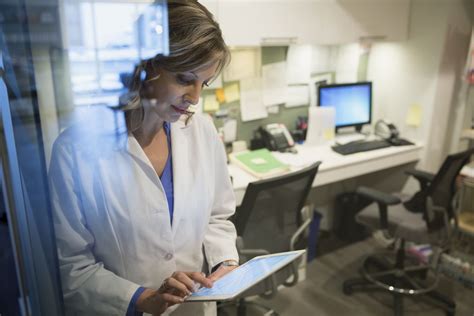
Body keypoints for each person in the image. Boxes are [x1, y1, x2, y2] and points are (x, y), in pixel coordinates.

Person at [48, 1, 239, 315]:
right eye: (183, 79)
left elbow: (217, 217)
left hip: (196, 307)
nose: (195, 98)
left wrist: (226, 262)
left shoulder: (201, 132)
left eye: (203, 83)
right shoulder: (75, 150)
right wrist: (143, 299)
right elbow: (73, 267)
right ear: (146, 65)